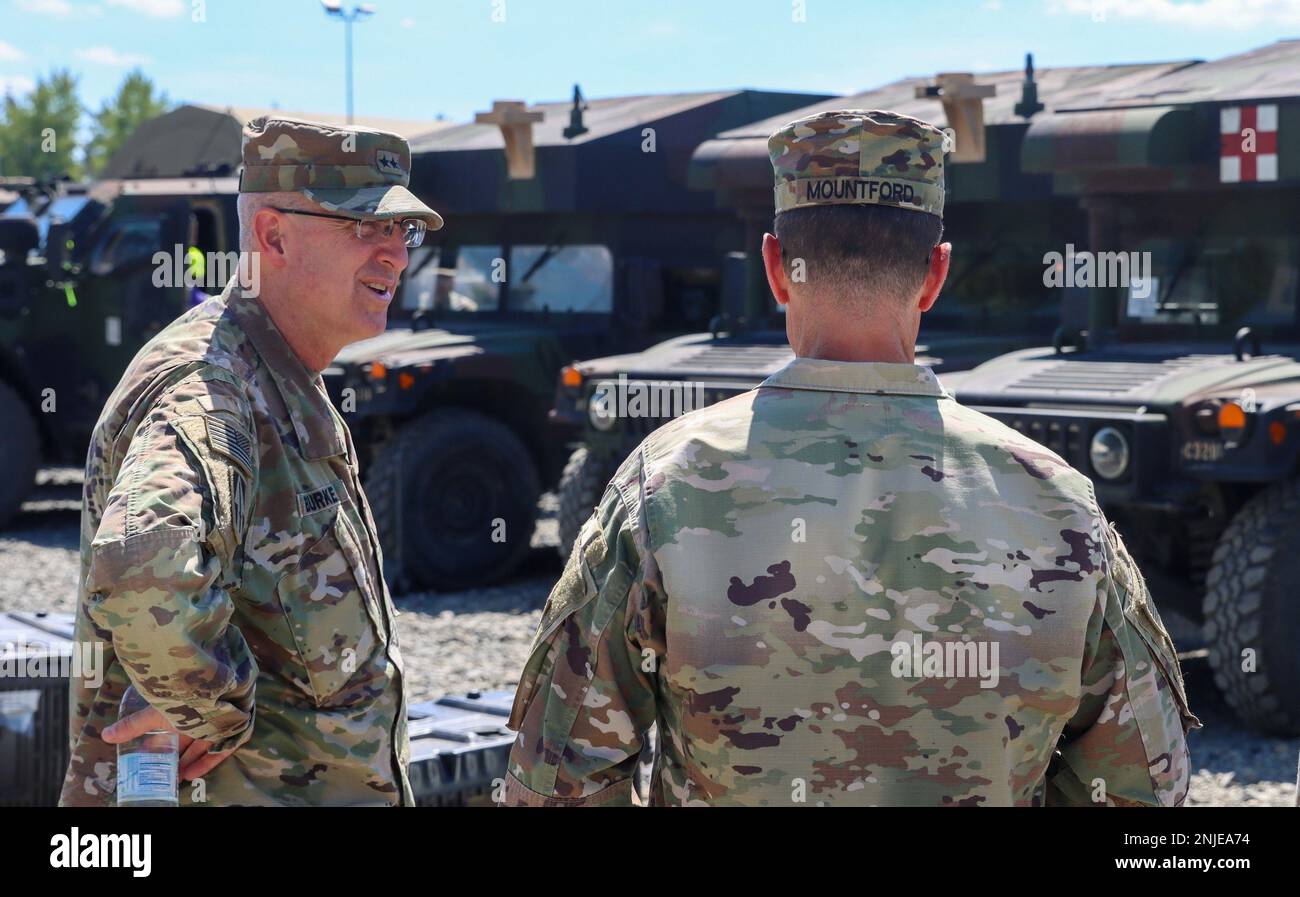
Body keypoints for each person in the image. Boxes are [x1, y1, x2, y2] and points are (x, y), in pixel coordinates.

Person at [502, 109, 1199, 807]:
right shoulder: (1059, 501)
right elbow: (1142, 788)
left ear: (776, 267)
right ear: (935, 273)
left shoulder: (665, 485)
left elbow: (557, 777)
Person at [60, 116, 443, 806]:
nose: (395, 255)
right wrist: (214, 709)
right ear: (273, 236)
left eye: (403, 232)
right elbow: (141, 565)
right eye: (366, 227)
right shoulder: (211, 389)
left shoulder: (279, 371)